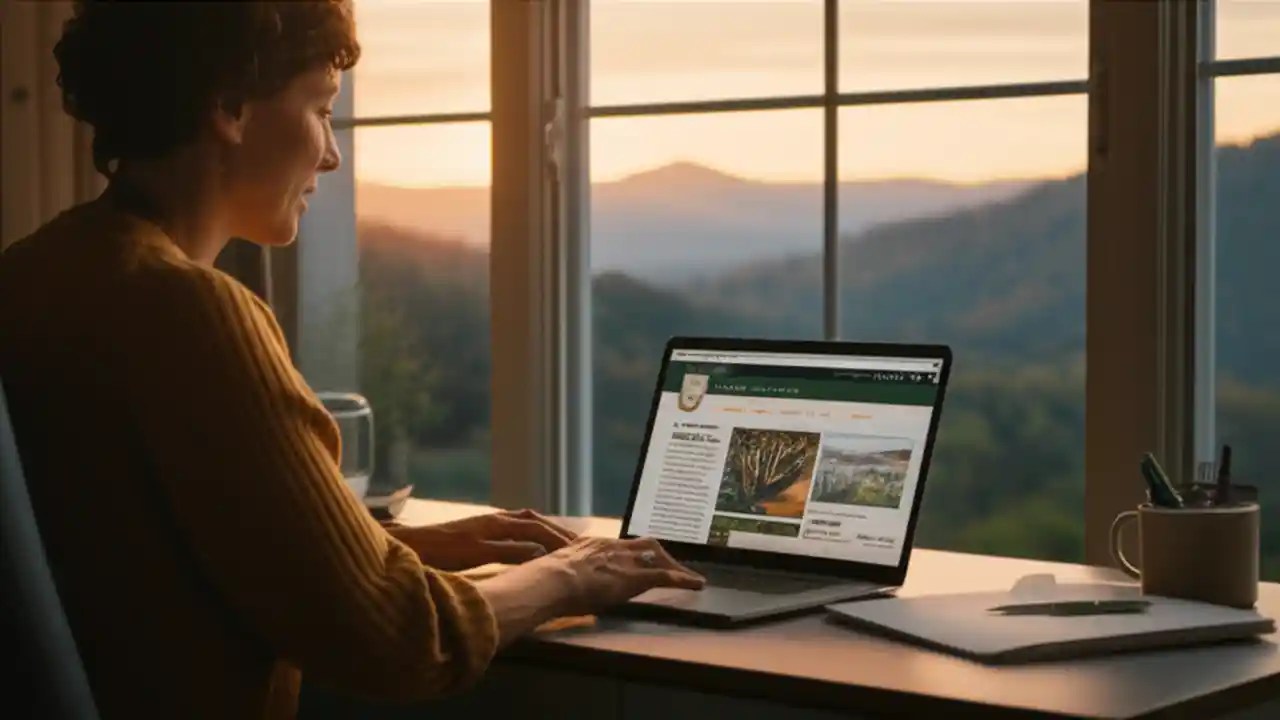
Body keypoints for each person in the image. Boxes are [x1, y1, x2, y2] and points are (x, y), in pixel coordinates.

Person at [0, 2, 703, 718]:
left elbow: (154, 546)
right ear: (231, 109)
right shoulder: (191, 312)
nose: (331, 155)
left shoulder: (33, 274)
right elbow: (401, 638)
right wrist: (572, 573)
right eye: (321, 110)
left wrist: (400, 545)